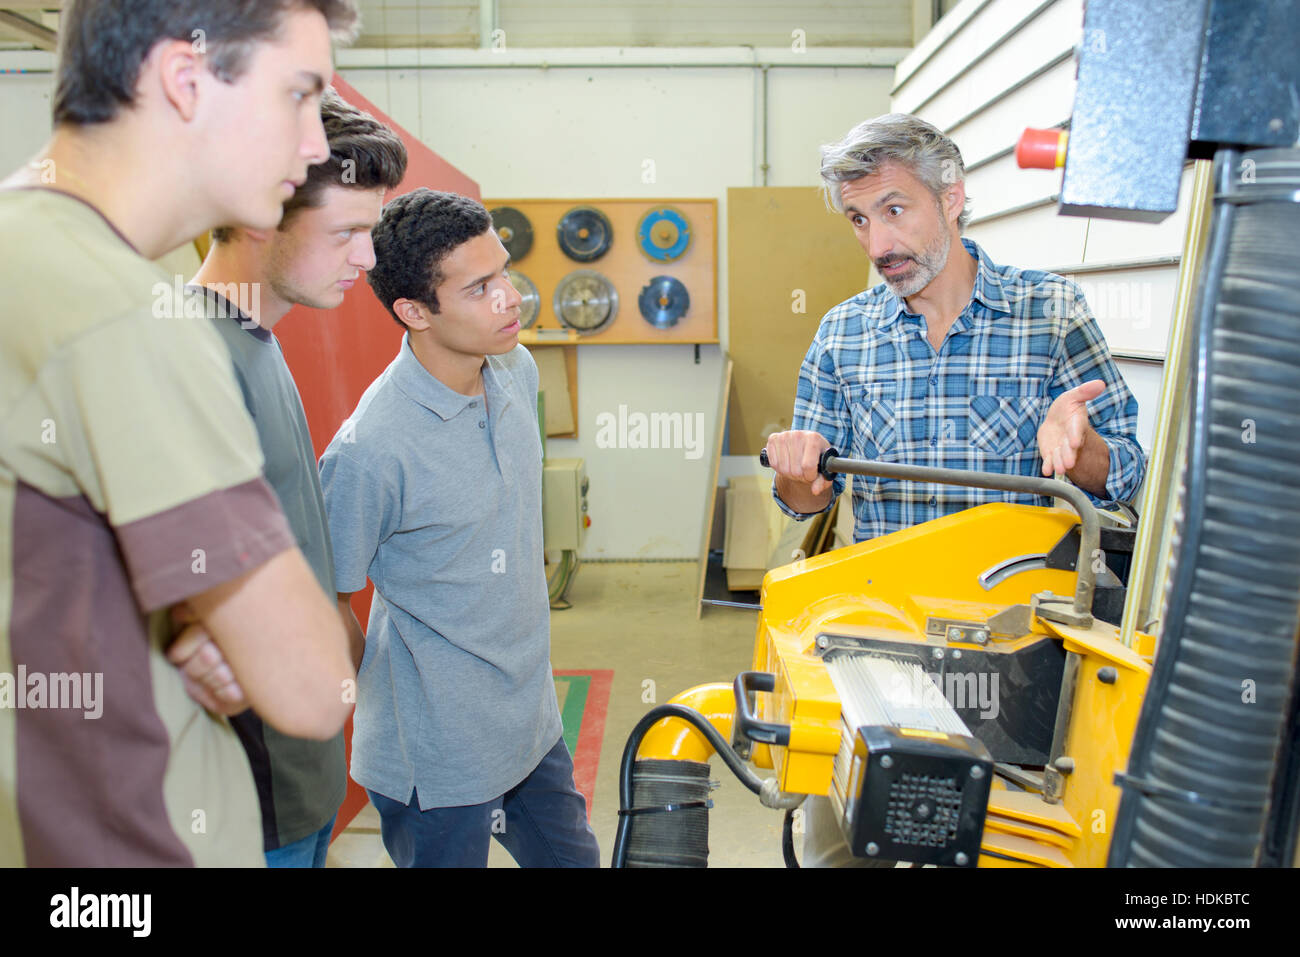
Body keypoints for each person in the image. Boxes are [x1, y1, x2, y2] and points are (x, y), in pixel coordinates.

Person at [0, 0, 359, 867]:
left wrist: (173, 619)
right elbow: (313, 685)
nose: (314, 143)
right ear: (185, 79)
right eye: (299, 95)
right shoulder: (128, 316)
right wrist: (234, 634)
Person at [763, 113, 1147, 867]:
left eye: (895, 210)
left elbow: (1128, 467)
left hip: (1017, 663)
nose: (878, 246)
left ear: (954, 197)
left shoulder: (1049, 313)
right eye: (859, 219)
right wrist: (795, 470)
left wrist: (1080, 449)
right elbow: (806, 500)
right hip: (880, 648)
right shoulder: (843, 336)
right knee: (847, 848)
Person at [318, 188, 600, 868]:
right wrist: (402, 687)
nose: (510, 297)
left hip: (530, 721)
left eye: (503, 271)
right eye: (479, 288)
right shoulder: (371, 449)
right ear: (414, 311)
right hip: (435, 758)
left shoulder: (514, 368)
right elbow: (325, 595)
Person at [187, 88, 408, 867]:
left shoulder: (257, 339)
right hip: (246, 802)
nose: (370, 259)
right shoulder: (192, 360)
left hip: (300, 781)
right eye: (347, 232)